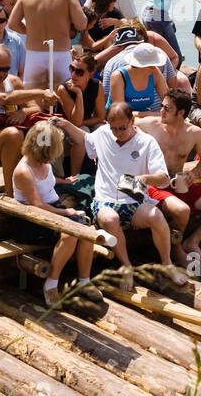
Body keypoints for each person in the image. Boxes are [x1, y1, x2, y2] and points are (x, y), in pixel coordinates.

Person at [55, 104, 180, 292]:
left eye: (122, 128)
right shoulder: (104, 133)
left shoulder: (147, 141)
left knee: (156, 216)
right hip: (105, 200)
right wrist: (65, 123)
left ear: (132, 121)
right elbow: (85, 139)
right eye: (113, 128)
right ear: (107, 124)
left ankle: (167, 263)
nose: (117, 133)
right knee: (110, 218)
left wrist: (145, 178)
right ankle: (126, 266)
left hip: (134, 200)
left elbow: (163, 178)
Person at [137, 89, 201, 266]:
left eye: (167, 109)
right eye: (162, 106)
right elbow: (119, 123)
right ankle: (177, 248)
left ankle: (193, 240)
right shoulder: (149, 125)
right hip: (155, 188)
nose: (161, 111)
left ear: (181, 113)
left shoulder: (194, 133)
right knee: (182, 211)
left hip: (181, 185)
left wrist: (194, 174)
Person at [12, 120, 103, 307]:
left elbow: (49, 182)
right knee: (71, 233)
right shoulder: (23, 171)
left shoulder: (42, 163)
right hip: (32, 219)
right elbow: (37, 204)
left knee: (87, 230)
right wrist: (66, 211)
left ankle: (84, 281)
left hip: (51, 210)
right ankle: (51, 284)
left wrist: (64, 181)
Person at [0, 44, 56, 196]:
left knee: (45, 131)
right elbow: (4, 98)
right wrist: (41, 92)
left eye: (6, 69)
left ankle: (49, 186)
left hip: (2, 136)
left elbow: (36, 108)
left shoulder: (13, 81)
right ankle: (11, 195)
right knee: (13, 134)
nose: (2, 74)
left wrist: (24, 112)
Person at [8, 0, 86, 89]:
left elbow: (12, 23)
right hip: (60, 52)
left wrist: (30, 32)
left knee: (34, 96)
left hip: (34, 52)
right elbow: (81, 24)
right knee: (63, 94)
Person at [53, 48, 106, 174]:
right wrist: (78, 94)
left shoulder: (97, 85)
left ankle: (102, 173)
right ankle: (74, 177)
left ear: (90, 73)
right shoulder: (64, 89)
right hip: (63, 127)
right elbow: (75, 122)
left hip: (83, 123)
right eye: (72, 69)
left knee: (103, 130)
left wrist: (85, 122)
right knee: (83, 133)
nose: (74, 75)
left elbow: (101, 117)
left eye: (79, 72)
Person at [107, 42, 168, 116]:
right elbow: (120, 112)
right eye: (151, 65)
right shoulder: (119, 76)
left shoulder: (155, 72)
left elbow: (168, 99)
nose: (154, 67)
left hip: (145, 117)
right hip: (120, 120)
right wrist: (150, 114)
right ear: (139, 65)